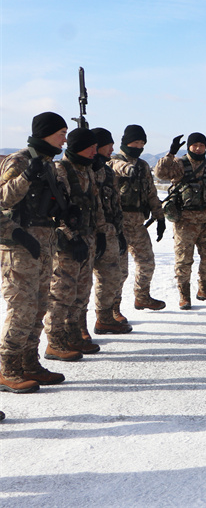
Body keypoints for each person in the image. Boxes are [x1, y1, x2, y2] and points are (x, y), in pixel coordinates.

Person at [0, 112, 71, 393]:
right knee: (21, 309)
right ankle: (6, 368)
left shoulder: (50, 165)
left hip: (44, 243)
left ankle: (29, 363)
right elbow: (3, 198)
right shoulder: (19, 161)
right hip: (19, 246)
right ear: (45, 133)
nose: (65, 138)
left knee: (40, 307)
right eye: (61, 132)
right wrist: (27, 177)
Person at [45, 128, 106, 363]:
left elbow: (96, 204)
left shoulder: (88, 170)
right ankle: (55, 343)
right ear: (78, 146)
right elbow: (56, 212)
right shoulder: (61, 171)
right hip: (66, 244)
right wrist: (73, 237)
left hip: (87, 239)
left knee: (81, 293)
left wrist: (99, 233)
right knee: (61, 294)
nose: (94, 151)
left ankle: (73, 335)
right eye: (90, 147)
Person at [154, 132, 206, 309]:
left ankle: (205, 289)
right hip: (184, 221)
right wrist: (170, 153)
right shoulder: (179, 164)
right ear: (189, 147)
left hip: (205, 220)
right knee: (184, 260)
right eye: (195, 145)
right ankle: (184, 295)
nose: (198, 148)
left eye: (202, 145)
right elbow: (160, 173)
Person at [110, 124, 166, 311]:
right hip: (118, 224)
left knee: (147, 261)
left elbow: (151, 193)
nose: (139, 147)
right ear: (126, 142)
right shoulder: (113, 161)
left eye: (142, 143)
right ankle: (112, 309)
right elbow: (118, 167)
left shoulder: (142, 166)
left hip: (138, 224)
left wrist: (160, 217)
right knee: (119, 271)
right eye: (135, 142)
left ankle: (142, 297)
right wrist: (128, 169)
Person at [90, 128, 132, 334]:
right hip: (83, 234)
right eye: (109, 144)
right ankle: (76, 328)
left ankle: (105, 318)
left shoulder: (107, 171)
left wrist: (120, 232)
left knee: (112, 276)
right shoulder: (77, 169)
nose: (112, 149)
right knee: (75, 286)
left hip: (109, 232)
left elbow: (114, 204)